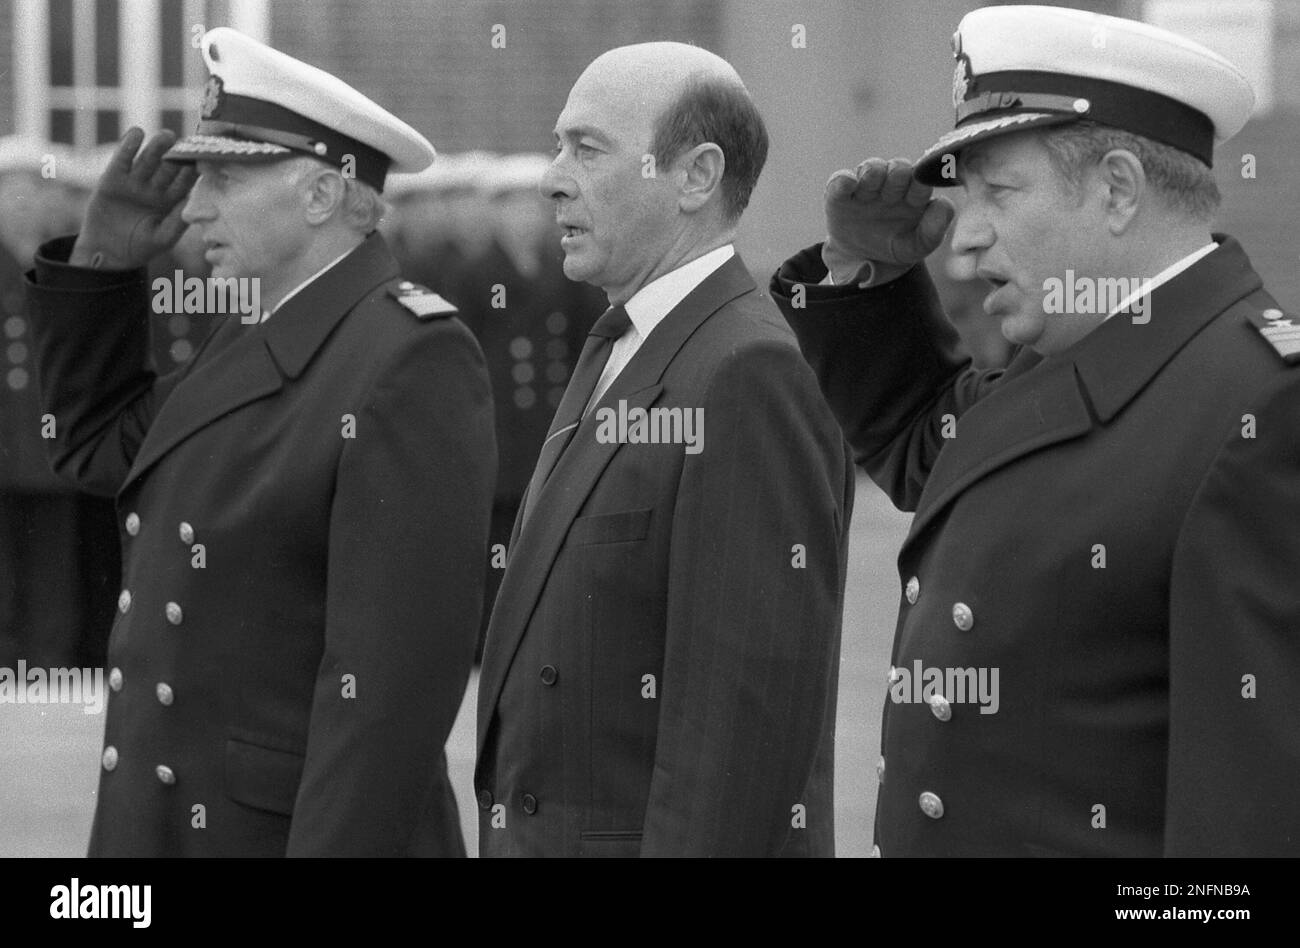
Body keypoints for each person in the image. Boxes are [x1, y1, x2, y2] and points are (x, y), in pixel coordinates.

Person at [771, 5, 1300, 856]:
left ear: (1118, 189)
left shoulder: (1260, 408)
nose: (963, 240)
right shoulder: (1078, 353)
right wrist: (867, 279)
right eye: (965, 193)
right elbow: (932, 457)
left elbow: (1249, 832)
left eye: (999, 192)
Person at [25, 27, 496, 857]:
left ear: (320, 195)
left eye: (223, 179)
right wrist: (101, 264)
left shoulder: (408, 355)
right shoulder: (254, 331)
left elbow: (386, 703)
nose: (193, 205)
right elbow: (96, 445)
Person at [475, 42, 854, 857]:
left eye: (587, 148)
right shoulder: (626, 339)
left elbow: (738, 733)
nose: (553, 177)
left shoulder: (744, 372)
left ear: (694, 176)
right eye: (556, 146)